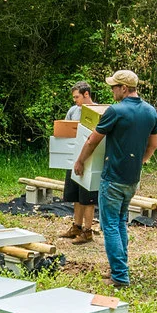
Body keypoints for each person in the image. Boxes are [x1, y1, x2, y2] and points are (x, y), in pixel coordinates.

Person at [71, 70, 157, 288]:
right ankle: (119, 268)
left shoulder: (115, 111)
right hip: (132, 179)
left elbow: (92, 141)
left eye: (114, 87)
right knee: (120, 223)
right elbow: (153, 145)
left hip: (113, 177)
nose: (112, 90)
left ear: (124, 89)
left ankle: (119, 276)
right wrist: (141, 161)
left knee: (110, 225)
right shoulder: (150, 112)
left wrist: (80, 162)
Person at [57, 81, 98, 244]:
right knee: (75, 195)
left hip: (90, 160)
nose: (75, 100)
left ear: (86, 94)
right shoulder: (73, 111)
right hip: (74, 158)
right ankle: (77, 226)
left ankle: (88, 231)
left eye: (77, 97)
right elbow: (66, 132)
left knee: (87, 197)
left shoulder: (97, 112)